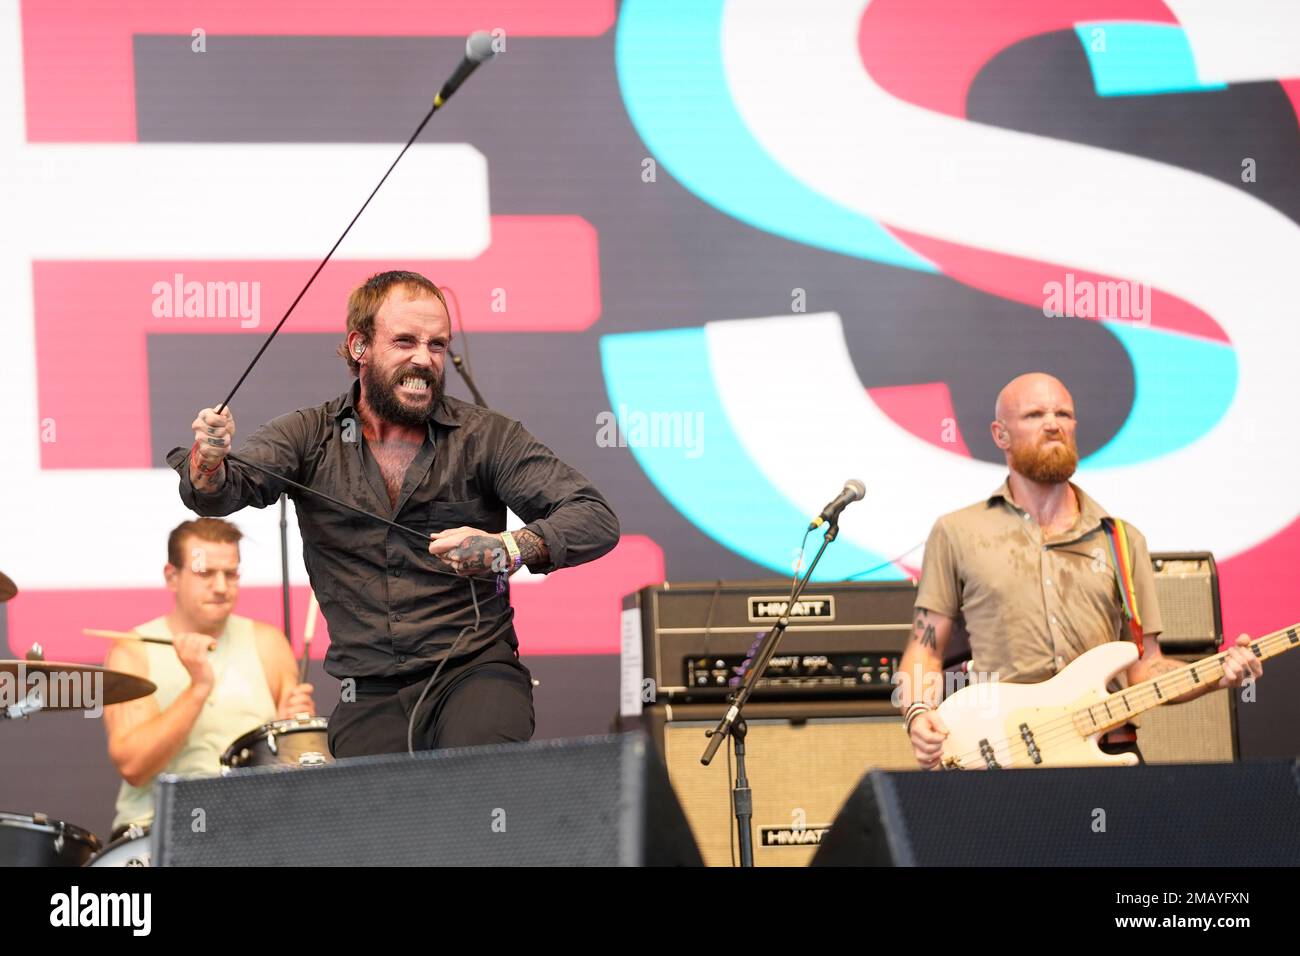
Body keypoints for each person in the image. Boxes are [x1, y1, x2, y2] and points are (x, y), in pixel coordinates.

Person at [166, 270, 620, 758]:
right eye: (405, 341)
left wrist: (508, 547)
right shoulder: (307, 435)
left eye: (437, 345)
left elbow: (594, 517)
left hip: (472, 671)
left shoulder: (486, 436)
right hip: (367, 690)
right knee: (382, 829)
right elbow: (216, 494)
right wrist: (208, 462)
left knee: (473, 798)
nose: (424, 360)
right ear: (359, 346)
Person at [899, 372, 1262, 769]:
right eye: (1035, 414)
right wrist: (918, 713)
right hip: (1002, 754)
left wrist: (1218, 673)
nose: (1053, 423)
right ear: (1000, 435)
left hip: (1105, 750)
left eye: (1063, 414)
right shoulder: (957, 532)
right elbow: (926, 649)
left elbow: (1146, 666)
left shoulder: (1123, 541)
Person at [104, 518, 314, 836]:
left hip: (252, 829)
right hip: (157, 831)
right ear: (171, 577)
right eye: (205, 573)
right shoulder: (133, 652)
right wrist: (198, 688)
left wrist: (296, 736)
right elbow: (134, 766)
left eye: (230, 574)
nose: (220, 587)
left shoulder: (268, 643)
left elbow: (296, 765)